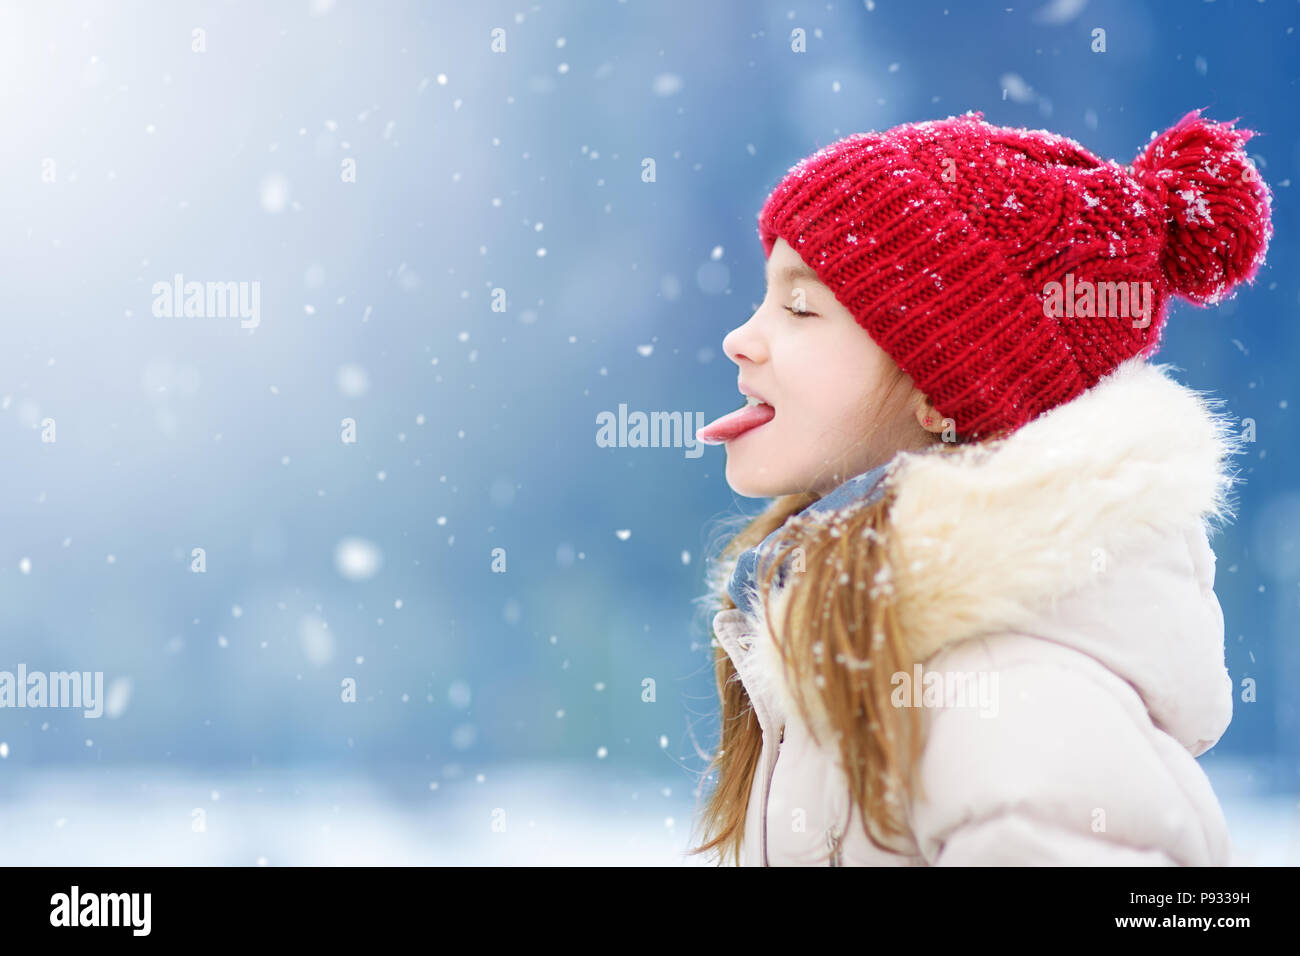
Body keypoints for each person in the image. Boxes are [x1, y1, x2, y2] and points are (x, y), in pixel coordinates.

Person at [689, 108, 1274, 866]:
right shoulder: (870, 650)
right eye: (767, 296)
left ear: (944, 389)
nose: (741, 336)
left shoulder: (1014, 710)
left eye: (801, 307)